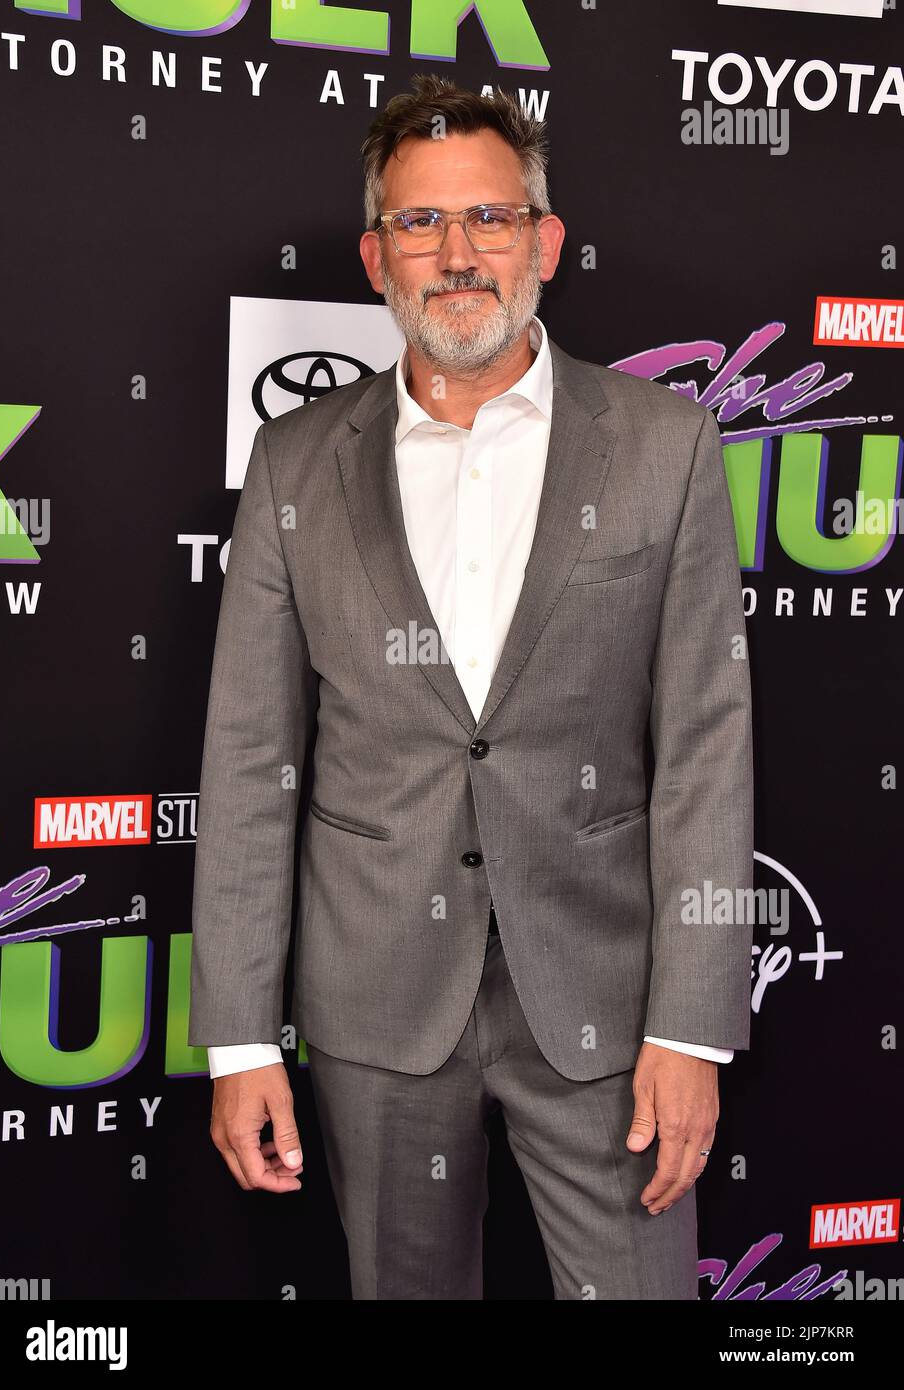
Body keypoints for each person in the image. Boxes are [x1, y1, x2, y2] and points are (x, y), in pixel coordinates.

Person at [189, 73, 754, 1300]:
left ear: (543, 242)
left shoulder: (665, 448)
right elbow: (247, 761)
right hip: (376, 999)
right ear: (375, 257)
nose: (457, 254)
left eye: (490, 218)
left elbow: (705, 747)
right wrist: (237, 1039)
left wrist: (691, 1024)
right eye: (420, 223)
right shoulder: (294, 462)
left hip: (606, 1005)